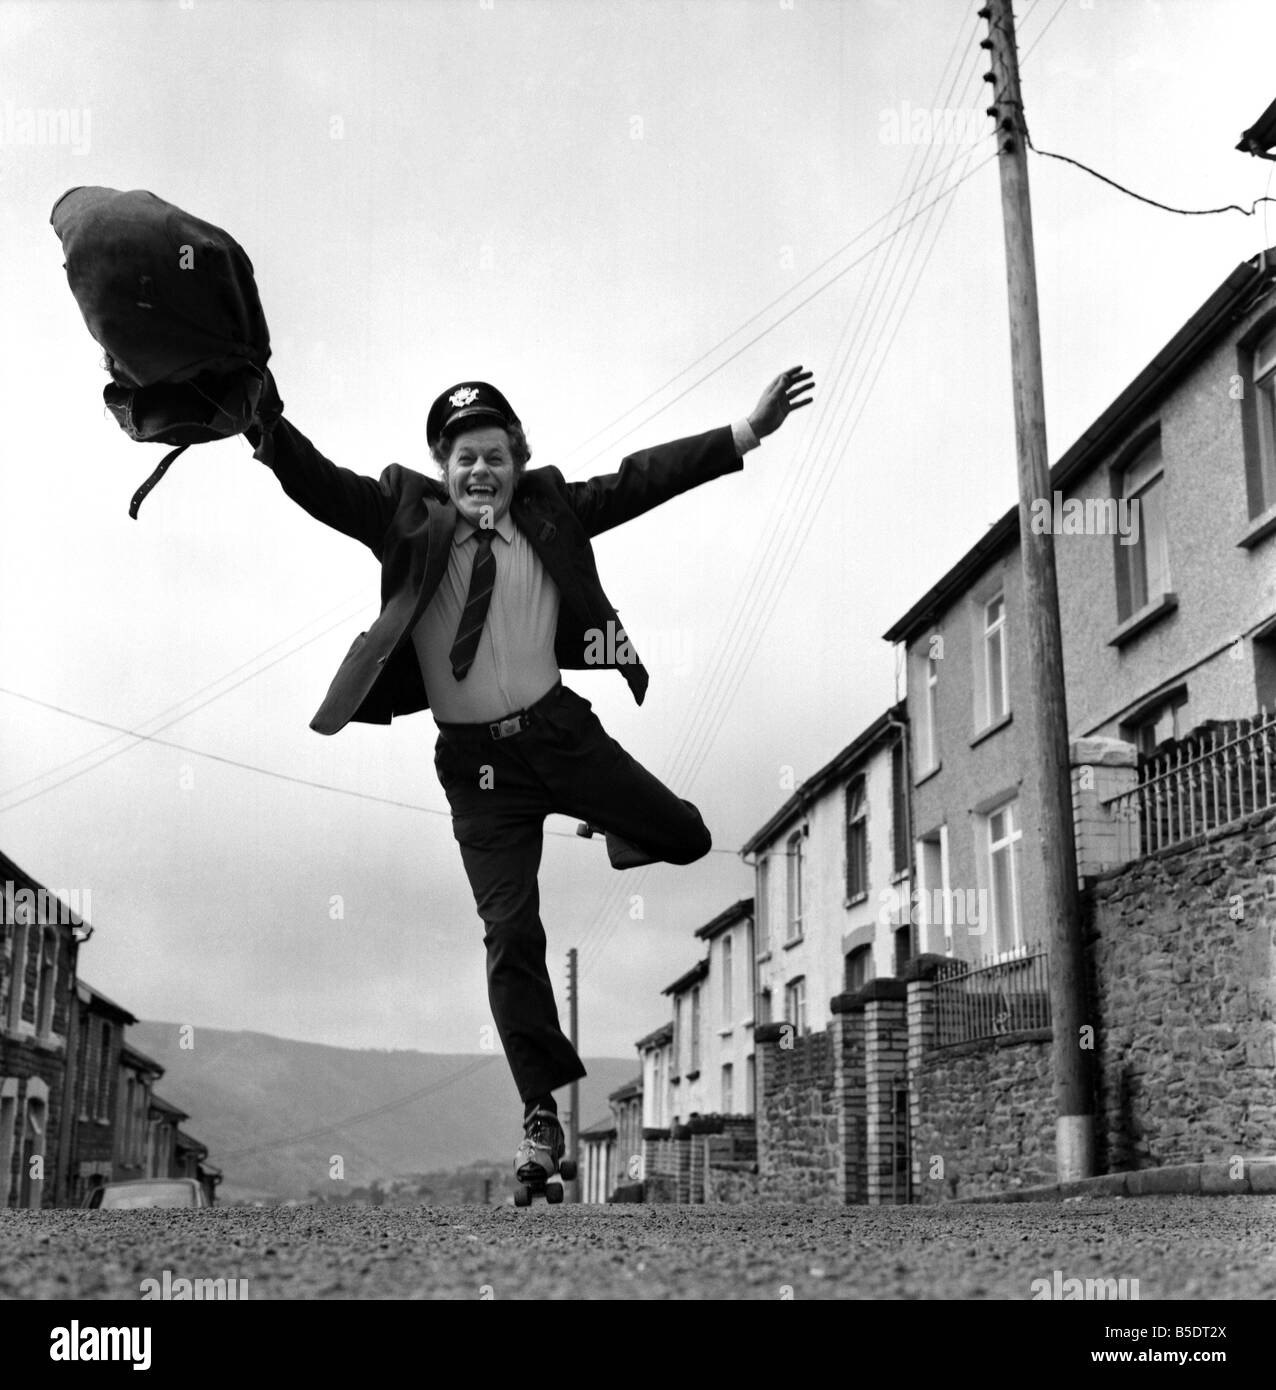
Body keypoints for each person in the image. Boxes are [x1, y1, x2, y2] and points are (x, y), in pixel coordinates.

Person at [245, 365, 814, 1190]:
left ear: (519, 462)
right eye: (465, 458)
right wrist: (260, 418)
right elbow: (317, 482)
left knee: (688, 837)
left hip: (561, 734)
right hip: (477, 770)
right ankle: (540, 1112)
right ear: (443, 468)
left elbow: (642, 481)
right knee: (512, 934)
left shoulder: (552, 508)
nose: (481, 472)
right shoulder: (402, 516)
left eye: (496, 457)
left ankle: (610, 827)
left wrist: (746, 431)